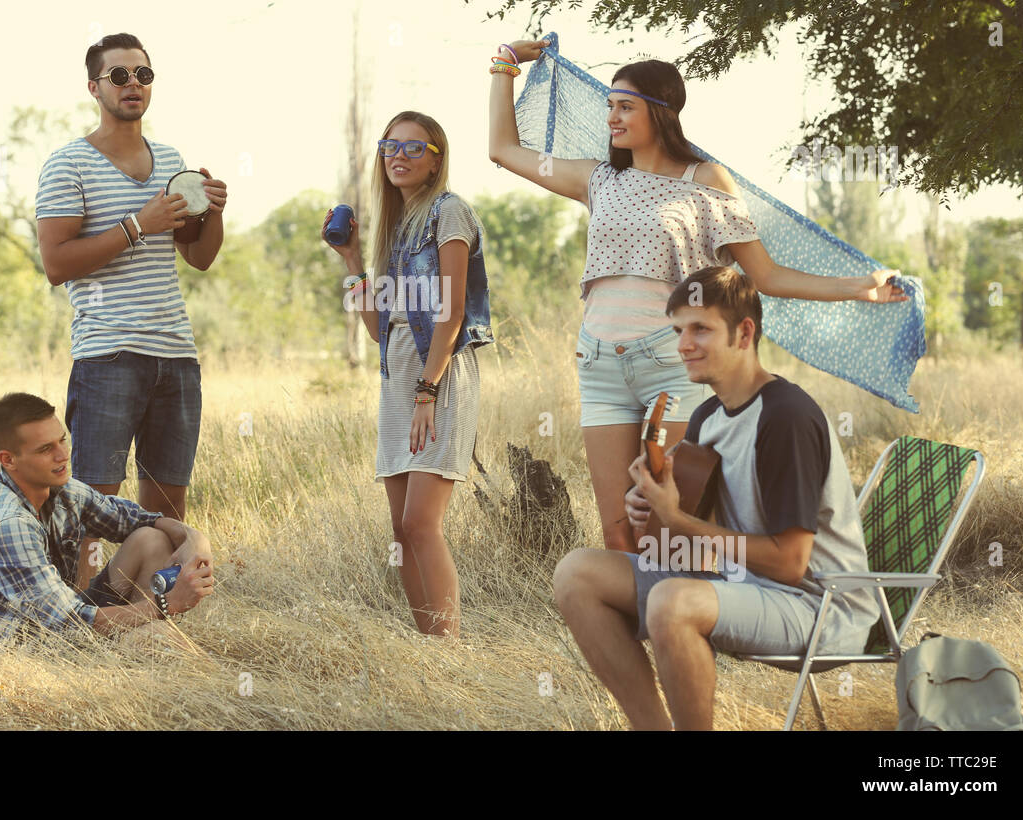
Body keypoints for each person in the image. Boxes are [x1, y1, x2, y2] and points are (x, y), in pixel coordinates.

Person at [487, 39, 906, 552]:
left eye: (625, 106)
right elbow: (502, 151)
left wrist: (860, 287)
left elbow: (766, 276)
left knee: (667, 526)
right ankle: (631, 630)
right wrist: (504, 65)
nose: (612, 117)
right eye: (610, 106)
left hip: (673, 363)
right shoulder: (597, 178)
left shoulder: (705, 181)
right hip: (599, 363)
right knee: (618, 530)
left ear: (661, 112)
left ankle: (687, 621)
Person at [552, 267, 881, 730]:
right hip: (743, 583)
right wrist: (649, 508)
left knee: (672, 601)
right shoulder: (708, 414)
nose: (683, 345)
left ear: (744, 332)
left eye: (700, 329)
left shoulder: (784, 418)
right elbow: (684, 534)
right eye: (678, 331)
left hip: (821, 607)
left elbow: (791, 563)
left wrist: (680, 522)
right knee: (577, 574)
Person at [36, 32, 227, 588]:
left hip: (176, 353)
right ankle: (77, 617)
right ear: (94, 87)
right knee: (92, 501)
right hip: (108, 353)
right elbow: (56, 263)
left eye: (142, 74)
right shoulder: (67, 163)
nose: (132, 85)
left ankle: (155, 613)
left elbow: (199, 257)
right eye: (118, 76)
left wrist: (213, 211)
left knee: (168, 500)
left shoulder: (171, 160)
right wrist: (138, 223)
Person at [321, 111, 493, 638]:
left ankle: (449, 647)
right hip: (397, 376)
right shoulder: (395, 229)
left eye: (414, 148)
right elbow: (378, 328)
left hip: (436, 374)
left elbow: (453, 312)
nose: (398, 156)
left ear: (436, 157)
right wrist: (352, 260)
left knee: (421, 522)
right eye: (390, 146)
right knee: (401, 528)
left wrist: (427, 391)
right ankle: (429, 648)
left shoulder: (450, 213)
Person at [0, 393, 214, 640]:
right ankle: (144, 645)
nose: (63, 455)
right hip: (14, 652)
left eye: (62, 440)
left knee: (150, 539)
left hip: (57, 623)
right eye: (45, 449)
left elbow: (133, 519)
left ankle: (139, 641)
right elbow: (69, 622)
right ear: (8, 460)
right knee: (155, 637)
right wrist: (166, 605)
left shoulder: (63, 489)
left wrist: (194, 538)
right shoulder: (7, 524)